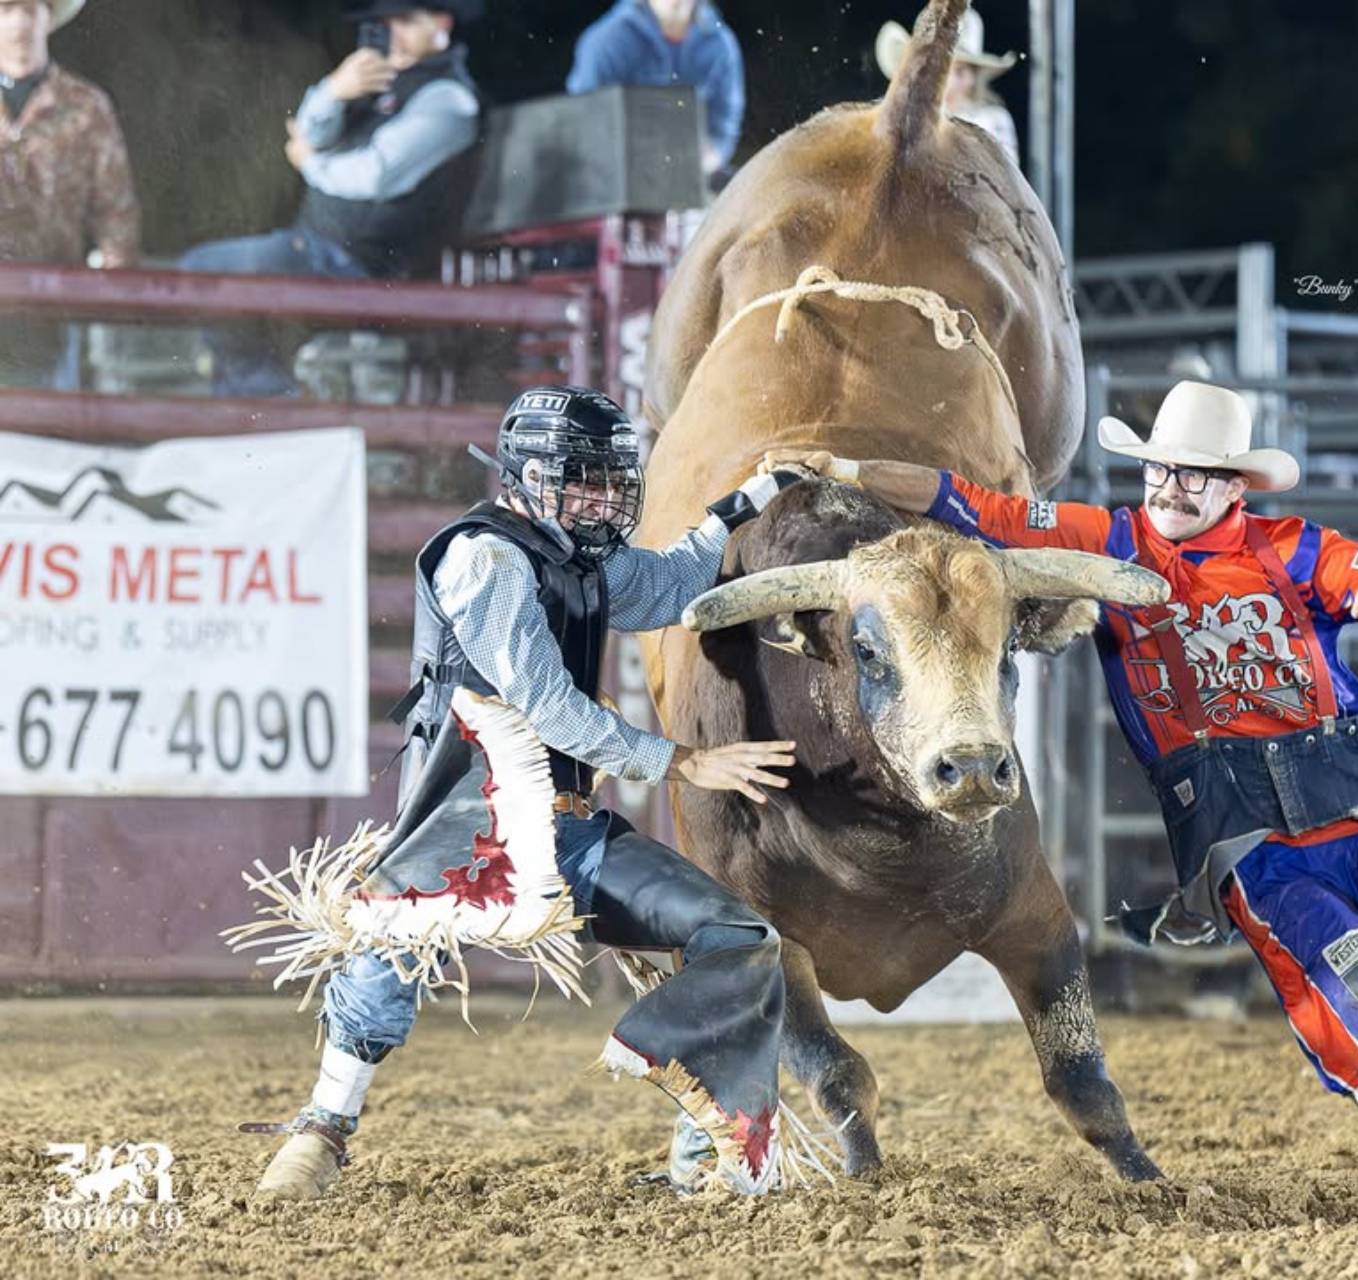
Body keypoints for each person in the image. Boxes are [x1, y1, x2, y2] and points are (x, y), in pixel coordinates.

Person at [763, 381, 1358, 1176]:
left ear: (1235, 486)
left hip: (1354, 783)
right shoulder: (1109, 540)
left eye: (1192, 473)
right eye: (1159, 468)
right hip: (1243, 821)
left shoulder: (1292, 545)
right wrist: (843, 472)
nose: (1169, 486)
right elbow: (971, 505)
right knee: (1337, 962)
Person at [242, 386, 811, 1199]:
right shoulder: (487, 559)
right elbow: (547, 705)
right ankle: (323, 1127)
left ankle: (709, 1140)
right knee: (385, 957)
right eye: (583, 479)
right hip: (461, 827)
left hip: (565, 829)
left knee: (738, 936)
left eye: (612, 479)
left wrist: (748, 500)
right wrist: (681, 760)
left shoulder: (577, 554)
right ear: (528, 474)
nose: (603, 498)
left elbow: (664, 586)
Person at [177, 0, 483, 396]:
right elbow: (310, 129)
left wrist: (309, 162)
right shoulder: (382, 82)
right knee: (203, 273)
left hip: (367, 267)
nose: (394, 35)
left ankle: (268, 398)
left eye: (406, 21)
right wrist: (334, 91)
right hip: (324, 252)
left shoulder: (447, 100)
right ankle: (263, 392)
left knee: (203, 269)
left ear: (442, 22)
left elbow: (374, 174)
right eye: (385, 24)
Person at [0, 0, 138, 389]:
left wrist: (113, 288)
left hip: (53, 306)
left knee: (52, 427)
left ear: (49, 17)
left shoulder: (86, 107)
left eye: (30, 10)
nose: (19, 23)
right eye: (7, 9)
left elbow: (117, 209)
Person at [568, 0, 744, 181]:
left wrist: (706, 160)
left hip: (694, 179)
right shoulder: (606, 41)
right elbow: (584, 126)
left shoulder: (720, 44)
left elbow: (724, 125)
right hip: (619, 181)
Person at [875, 4, 1018, 164]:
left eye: (957, 70)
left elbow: (1004, 181)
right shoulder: (898, 116)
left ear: (970, 77)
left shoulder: (992, 120)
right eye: (933, 66)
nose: (941, 76)